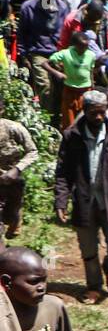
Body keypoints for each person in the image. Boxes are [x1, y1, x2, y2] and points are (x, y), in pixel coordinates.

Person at [54, 89, 108, 304]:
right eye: (93, 113)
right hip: (84, 202)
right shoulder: (72, 136)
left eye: (102, 112)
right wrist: (61, 201)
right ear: (85, 111)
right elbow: (63, 171)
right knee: (88, 249)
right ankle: (94, 286)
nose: (98, 117)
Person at [16, 0, 67, 118]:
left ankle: (57, 115)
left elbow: (64, 32)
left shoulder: (62, 7)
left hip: (57, 51)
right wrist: (24, 55)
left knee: (60, 85)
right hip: (37, 51)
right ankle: (47, 118)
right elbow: (22, 32)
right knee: (45, 86)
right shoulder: (28, 7)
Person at [0, 93, 38, 239]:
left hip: (11, 180)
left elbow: (33, 151)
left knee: (12, 213)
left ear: (2, 110)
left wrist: (16, 169)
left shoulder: (13, 128)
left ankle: (15, 222)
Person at [44, 28, 96, 130]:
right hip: (70, 91)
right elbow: (44, 63)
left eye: (86, 47)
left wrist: (92, 87)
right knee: (69, 121)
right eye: (82, 47)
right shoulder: (65, 53)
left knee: (85, 120)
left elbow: (90, 71)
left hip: (85, 91)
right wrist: (57, 73)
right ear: (75, 45)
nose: (84, 49)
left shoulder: (91, 55)